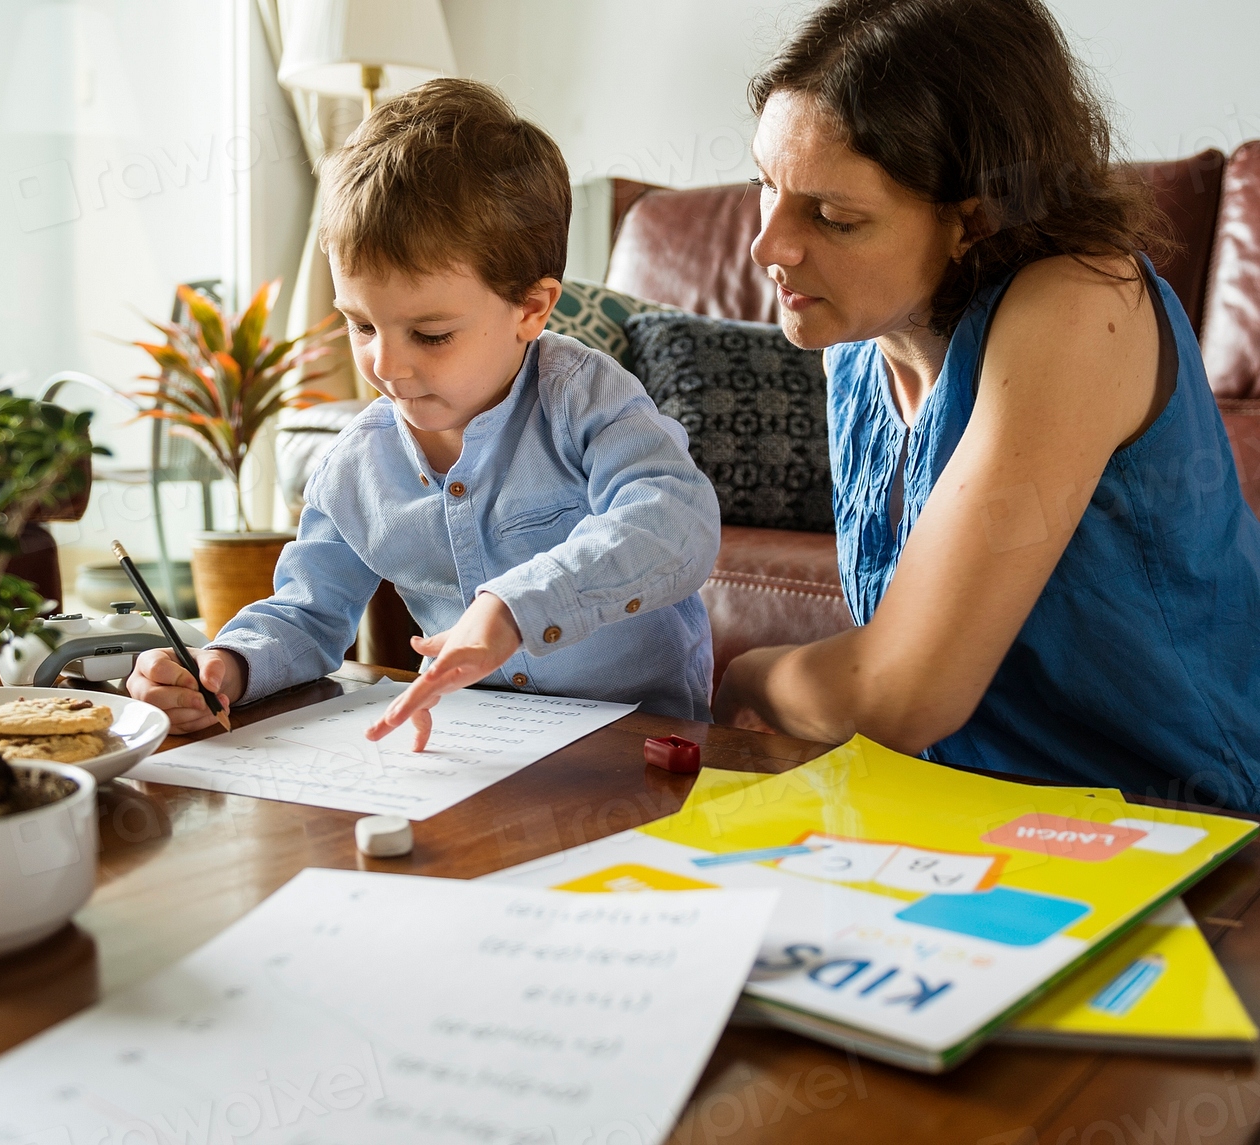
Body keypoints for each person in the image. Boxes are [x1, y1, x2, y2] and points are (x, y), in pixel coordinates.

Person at [713, 0, 1260, 810]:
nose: (769, 248)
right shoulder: (858, 344)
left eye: (833, 216)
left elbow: (902, 692)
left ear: (972, 219)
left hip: (1196, 832)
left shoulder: (1080, 302)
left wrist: (743, 674)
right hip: (976, 823)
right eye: (767, 183)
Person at [129, 79, 721, 747]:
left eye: (431, 334)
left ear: (531, 308)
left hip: (641, 743)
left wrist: (515, 608)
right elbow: (307, 612)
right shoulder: (356, 465)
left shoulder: (582, 396)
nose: (386, 365)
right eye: (359, 325)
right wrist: (226, 664)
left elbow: (677, 523)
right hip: (480, 751)